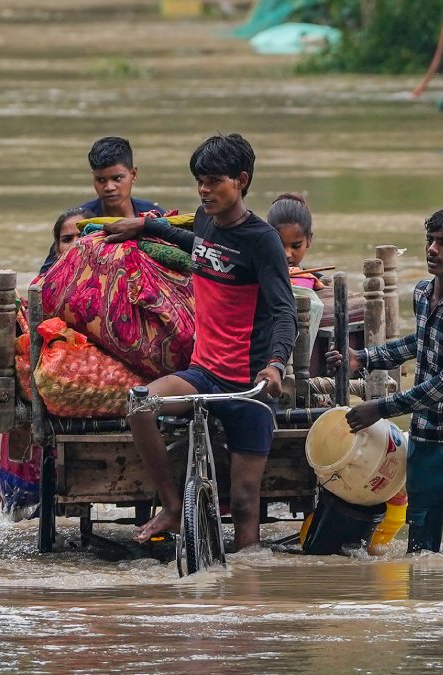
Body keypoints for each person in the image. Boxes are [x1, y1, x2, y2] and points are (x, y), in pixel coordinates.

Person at [106, 133, 296, 550]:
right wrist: (146, 226)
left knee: (245, 503)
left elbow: (284, 311)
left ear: (241, 180)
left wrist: (276, 365)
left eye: (214, 182)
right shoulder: (205, 218)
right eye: (200, 182)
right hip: (203, 373)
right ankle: (172, 506)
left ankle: (250, 596)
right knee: (140, 402)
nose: (204, 191)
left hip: (248, 386)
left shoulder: (262, 240)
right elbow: (200, 246)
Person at [327, 206, 443, 553]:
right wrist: (363, 358)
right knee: (421, 548)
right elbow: (419, 342)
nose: (433, 249)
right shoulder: (423, 293)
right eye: (430, 240)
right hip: (427, 438)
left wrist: (382, 408)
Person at [39, 137, 163, 273]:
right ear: (93, 178)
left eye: (117, 178)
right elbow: (46, 276)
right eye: (101, 180)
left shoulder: (154, 216)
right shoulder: (80, 222)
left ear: (133, 174)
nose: (109, 187)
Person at [268, 192, 323, 290]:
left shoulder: (318, 281)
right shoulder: (255, 278)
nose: (287, 254)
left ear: (309, 240)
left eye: (296, 246)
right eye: (279, 245)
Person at [38, 206, 93, 276]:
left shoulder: (110, 279)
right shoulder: (44, 284)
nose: (75, 244)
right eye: (67, 239)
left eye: (83, 236)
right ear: (57, 250)